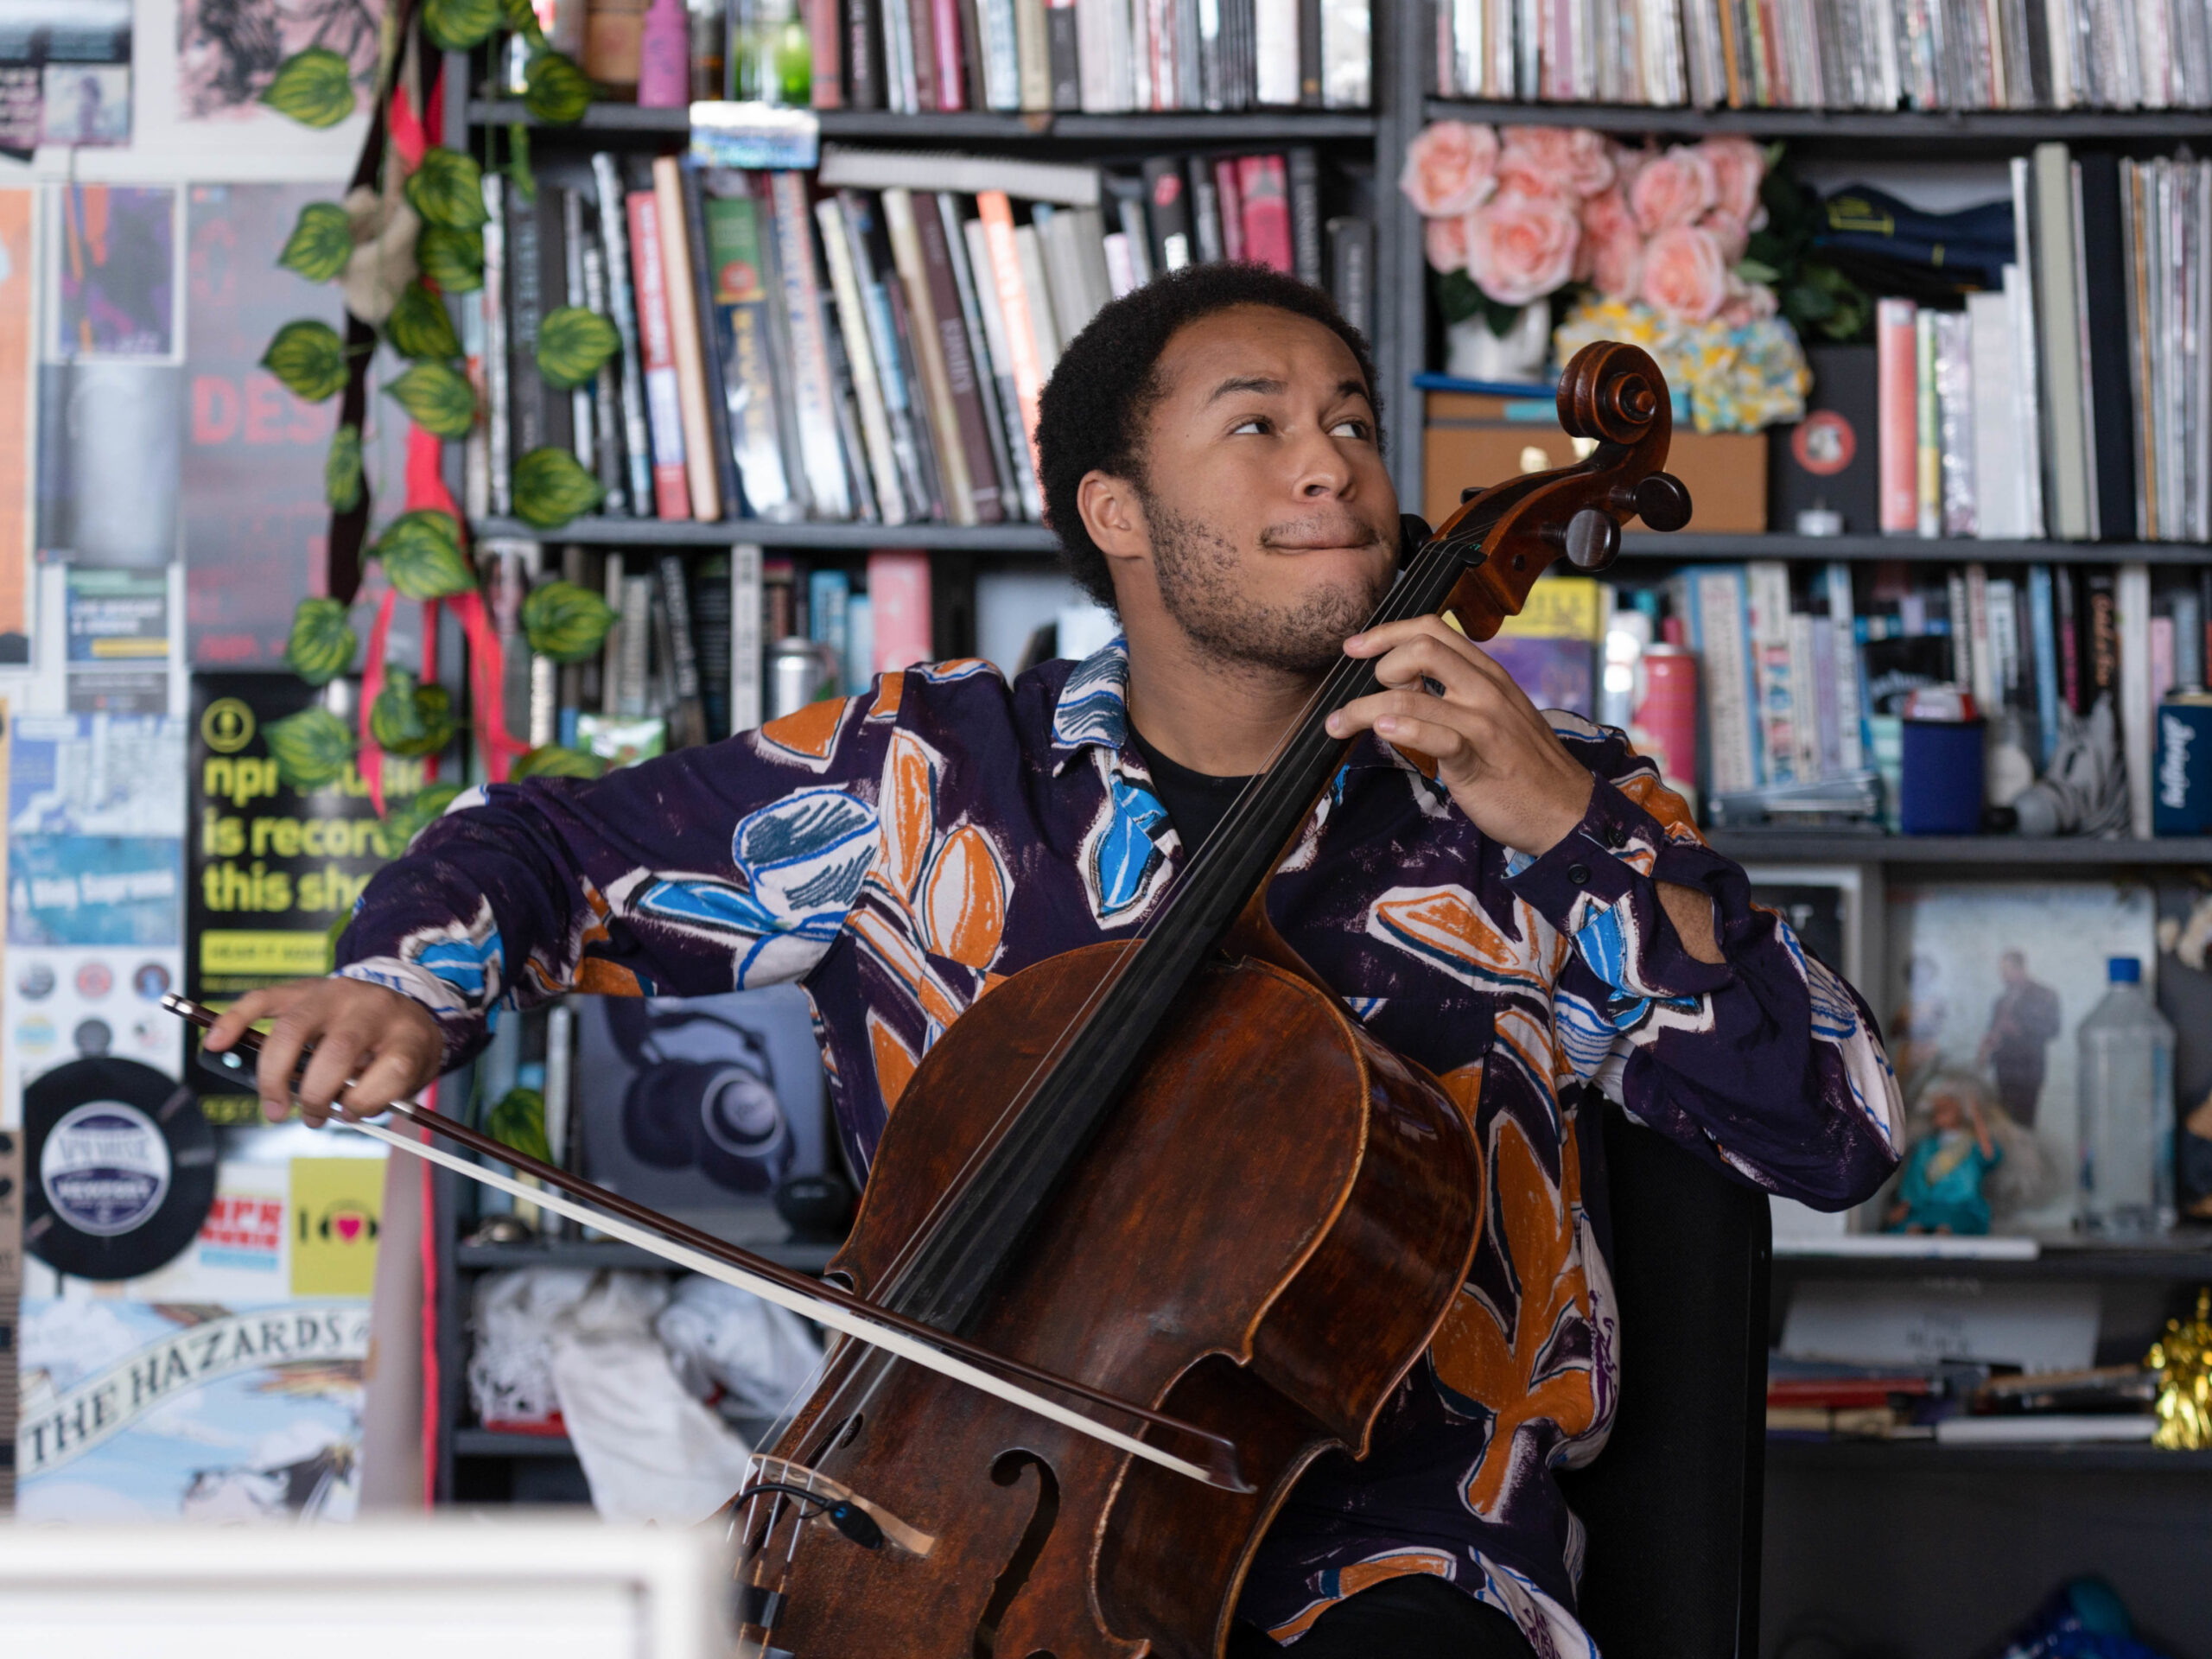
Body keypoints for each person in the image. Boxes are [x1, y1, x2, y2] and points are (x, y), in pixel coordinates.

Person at [207, 264, 1901, 1657]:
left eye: (1350, 427)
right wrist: (404, 984)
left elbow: (1832, 1131)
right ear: (1114, 508)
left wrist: (1569, 831)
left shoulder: (1539, 797)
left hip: (1389, 1574)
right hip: (933, 1536)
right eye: (1257, 426)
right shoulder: (921, 780)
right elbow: (547, 843)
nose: (1330, 466)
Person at [1884, 1072, 2003, 1235]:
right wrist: (1905, 1205)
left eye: (1948, 1107)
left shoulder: (1971, 1144)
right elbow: (1914, 1179)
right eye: (1938, 1108)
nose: (1941, 1111)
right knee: (1912, 1230)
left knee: (1946, 1230)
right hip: (1928, 1207)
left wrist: (1977, 1117)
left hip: (1963, 1208)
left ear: (1961, 1110)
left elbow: (1990, 1157)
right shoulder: (1926, 1146)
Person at [1977, 947, 2061, 1127]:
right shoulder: (2001, 1000)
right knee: (2004, 1123)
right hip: (2004, 1069)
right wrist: (1987, 1045)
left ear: (2020, 969)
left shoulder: (2045, 995)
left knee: (2024, 1124)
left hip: (2028, 1070)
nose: (2003, 976)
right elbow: (1994, 1030)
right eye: (2001, 972)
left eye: (2006, 971)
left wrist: (2019, 1028)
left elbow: (2053, 1029)